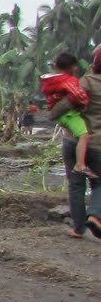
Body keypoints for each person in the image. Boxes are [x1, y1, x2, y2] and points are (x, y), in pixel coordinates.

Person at [47, 50, 101, 237]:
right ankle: (95, 215)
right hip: (98, 145)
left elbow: (65, 104)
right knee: (99, 184)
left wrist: (53, 113)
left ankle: (78, 228)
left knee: (76, 185)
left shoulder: (84, 82)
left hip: (73, 140)